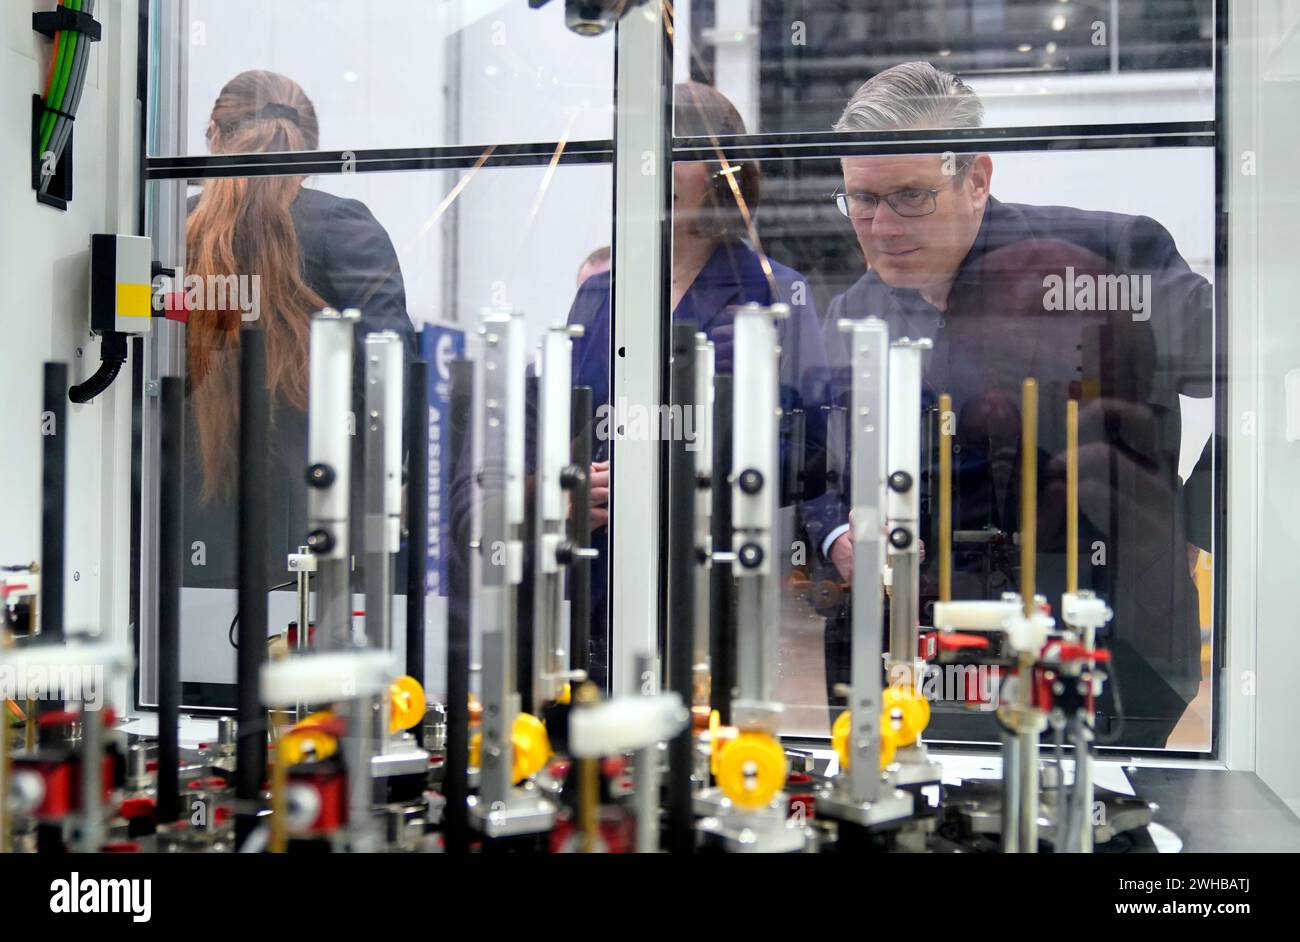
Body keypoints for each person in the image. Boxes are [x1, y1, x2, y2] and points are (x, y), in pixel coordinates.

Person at [810, 62, 1213, 748]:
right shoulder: (855, 311)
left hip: (1106, 643)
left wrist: (1193, 524)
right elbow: (816, 459)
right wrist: (833, 534)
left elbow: (1268, 371)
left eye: (910, 197)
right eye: (862, 200)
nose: (880, 225)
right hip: (918, 656)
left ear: (977, 179)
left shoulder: (1112, 257)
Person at [567, 82, 832, 689]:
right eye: (638, 146)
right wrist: (571, 484)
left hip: (723, 581)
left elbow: (815, 452)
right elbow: (562, 433)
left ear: (722, 169)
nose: (651, 162)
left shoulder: (775, 291)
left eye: (674, 147)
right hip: (604, 581)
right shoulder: (598, 293)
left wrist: (703, 465)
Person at [182, 71, 415, 619]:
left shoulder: (169, 226)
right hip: (315, 540)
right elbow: (393, 377)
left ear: (212, 133)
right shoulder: (344, 227)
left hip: (179, 536)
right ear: (309, 149)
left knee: (179, 702)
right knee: (310, 704)